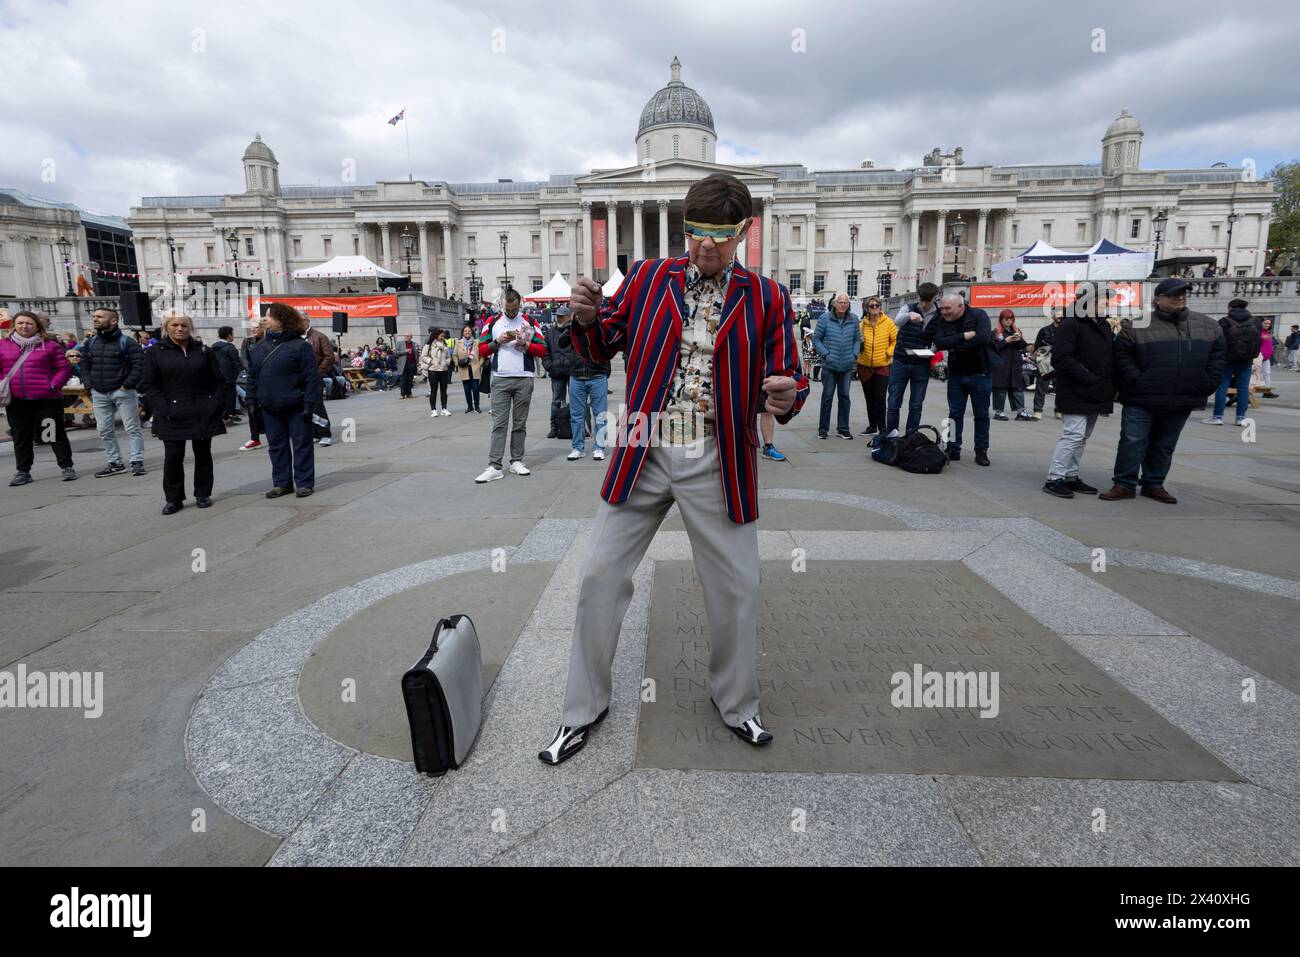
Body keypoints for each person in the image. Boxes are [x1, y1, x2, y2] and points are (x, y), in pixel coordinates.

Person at [539, 173, 809, 765]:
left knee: (739, 585)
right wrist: (584, 320)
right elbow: (602, 343)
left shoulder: (766, 296)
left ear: (742, 232)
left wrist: (788, 392)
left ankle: (737, 703)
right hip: (644, 441)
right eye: (695, 234)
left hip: (718, 452)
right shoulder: (646, 277)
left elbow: (789, 369)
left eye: (719, 236)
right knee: (597, 578)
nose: (705, 248)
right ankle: (582, 709)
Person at [1100, 278, 1225, 504]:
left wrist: (1207, 382)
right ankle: (1124, 483)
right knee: (1132, 441)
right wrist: (1137, 379)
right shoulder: (1137, 325)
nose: (1180, 297)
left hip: (1182, 396)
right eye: (1173, 294)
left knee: (1165, 444)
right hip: (1142, 396)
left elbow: (1218, 358)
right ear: (1158, 299)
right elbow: (1122, 356)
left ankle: (1154, 483)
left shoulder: (1208, 325)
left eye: (1183, 293)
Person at [139, 312, 225, 514]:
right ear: (166, 328)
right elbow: (150, 385)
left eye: (184, 325)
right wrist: (163, 408)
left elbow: (219, 382)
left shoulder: (204, 350)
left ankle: (203, 493)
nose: (180, 329)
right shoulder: (155, 352)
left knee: (203, 454)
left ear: (190, 328)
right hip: (171, 413)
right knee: (173, 456)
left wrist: (214, 405)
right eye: (175, 325)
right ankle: (174, 498)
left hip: (202, 412)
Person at [1043, 291, 1115, 498]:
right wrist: (1088, 377)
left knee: (1082, 437)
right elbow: (1062, 358)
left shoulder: (1103, 325)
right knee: (1072, 435)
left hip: (1097, 390)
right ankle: (1054, 478)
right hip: (1075, 389)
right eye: (1103, 299)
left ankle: (1070, 476)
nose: (1106, 303)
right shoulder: (1071, 323)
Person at [249, 302, 320, 498]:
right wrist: (251, 402)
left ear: (281, 320)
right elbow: (253, 377)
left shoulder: (300, 346)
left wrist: (309, 405)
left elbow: (311, 378)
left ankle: (304, 482)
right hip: (269, 407)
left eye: (270, 316)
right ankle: (282, 483)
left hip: (296, 405)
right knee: (276, 446)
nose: (266, 319)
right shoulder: (258, 348)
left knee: (301, 445)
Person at [474, 289, 546, 483]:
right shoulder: (492, 322)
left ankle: (516, 461)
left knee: (520, 423)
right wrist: (498, 341)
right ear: (502, 304)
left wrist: (526, 344)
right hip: (500, 378)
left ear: (520, 304)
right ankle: (495, 465)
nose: (512, 312)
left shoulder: (530, 322)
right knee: (499, 423)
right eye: (508, 309)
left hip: (524, 377)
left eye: (515, 309)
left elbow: (543, 349)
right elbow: (481, 349)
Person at [1, 311, 77, 485]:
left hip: (46, 399)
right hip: (17, 399)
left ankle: (66, 466)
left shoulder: (50, 345)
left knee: (52, 433)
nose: (24, 326)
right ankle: (23, 471)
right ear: (14, 325)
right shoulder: (2, 345)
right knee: (21, 435)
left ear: (37, 326)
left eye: (28, 323)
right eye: (20, 323)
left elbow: (63, 369)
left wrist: (53, 385)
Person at [79, 307, 147, 477]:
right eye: (94, 316)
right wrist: (89, 385)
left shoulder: (127, 342)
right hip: (99, 392)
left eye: (100, 317)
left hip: (122, 392)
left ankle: (137, 461)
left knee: (132, 428)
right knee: (104, 430)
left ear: (114, 321)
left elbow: (140, 364)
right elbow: (85, 365)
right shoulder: (91, 342)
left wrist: (127, 384)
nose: (95, 319)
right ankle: (115, 463)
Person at [932, 292, 994, 466]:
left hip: (980, 374)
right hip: (956, 375)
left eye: (947, 308)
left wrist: (955, 346)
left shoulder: (979, 315)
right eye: (942, 308)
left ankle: (981, 450)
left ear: (961, 306)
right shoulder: (943, 320)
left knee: (981, 415)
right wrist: (963, 337)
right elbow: (940, 342)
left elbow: (982, 338)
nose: (943, 312)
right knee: (954, 413)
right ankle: (953, 447)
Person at [887, 281, 940, 436]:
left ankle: (911, 436)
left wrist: (932, 350)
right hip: (901, 361)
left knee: (916, 404)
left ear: (934, 299)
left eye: (926, 301)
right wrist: (909, 315)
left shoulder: (938, 314)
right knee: (894, 402)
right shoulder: (908, 308)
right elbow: (897, 321)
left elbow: (939, 336)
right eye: (921, 300)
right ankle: (892, 436)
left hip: (921, 364)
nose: (922, 304)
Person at [1203, 299, 1260, 426]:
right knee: (1243, 389)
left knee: (1222, 387)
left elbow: (1218, 341)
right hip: (1247, 360)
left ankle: (1218, 416)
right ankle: (1240, 418)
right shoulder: (1256, 321)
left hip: (1227, 360)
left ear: (1230, 308)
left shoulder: (1224, 321)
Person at [812, 291, 860, 439]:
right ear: (834, 303)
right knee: (827, 396)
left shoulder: (854, 319)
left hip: (846, 365)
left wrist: (854, 354)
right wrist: (825, 354)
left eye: (845, 302)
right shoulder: (824, 319)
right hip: (829, 365)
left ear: (848, 304)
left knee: (845, 396)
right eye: (840, 302)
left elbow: (857, 340)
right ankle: (823, 429)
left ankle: (843, 429)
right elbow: (816, 339)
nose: (843, 305)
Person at [564, 312, 610, 461]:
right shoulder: (573, 328)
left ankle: (599, 448)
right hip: (577, 376)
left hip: (597, 375)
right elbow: (561, 342)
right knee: (576, 416)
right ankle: (578, 447)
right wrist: (571, 326)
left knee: (600, 415)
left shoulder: (600, 326)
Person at [855, 296, 896, 435]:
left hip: (882, 365)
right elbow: (855, 343)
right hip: (864, 365)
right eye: (871, 306)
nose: (874, 307)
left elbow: (895, 341)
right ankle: (872, 426)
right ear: (866, 308)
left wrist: (888, 353)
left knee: (880, 397)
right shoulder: (861, 325)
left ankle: (882, 427)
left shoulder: (888, 323)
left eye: (876, 305)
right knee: (869, 398)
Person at [991, 309, 1032, 421]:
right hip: (1001, 365)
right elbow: (993, 348)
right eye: (1006, 319)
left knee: (1017, 388)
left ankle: (1021, 412)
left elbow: (1022, 346)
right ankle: (999, 412)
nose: (1008, 321)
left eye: (1011, 319)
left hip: (1015, 365)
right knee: (1000, 389)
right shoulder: (996, 332)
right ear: (1001, 320)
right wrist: (1005, 341)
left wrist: (1018, 339)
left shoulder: (1016, 330)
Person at [302, 318, 335, 446]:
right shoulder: (295, 337)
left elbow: (329, 357)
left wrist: (318, 372)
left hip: (314, 377)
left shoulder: (319, 337)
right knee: (305, 406)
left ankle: (325, 433)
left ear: (307, 321)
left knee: (317, 405)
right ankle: (314, 432)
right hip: (300, 378)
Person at [542, 311, 574, 438]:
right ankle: (554, 427)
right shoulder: (550, 332)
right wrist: (549, 365)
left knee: (576, 401)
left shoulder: (574, 330)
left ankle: (576, 426)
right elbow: (545, 352)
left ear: (568, 317)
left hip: (572, 371)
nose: (559, 319)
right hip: (556, 371)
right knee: (556, 401)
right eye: (558, 316)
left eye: (562, 317)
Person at [239, 317, 268, 450]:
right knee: (251, 407)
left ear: (263, 328)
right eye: (252, 327)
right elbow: (243, 357)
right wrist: (250, 370)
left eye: (256, 327)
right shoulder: (248, 341)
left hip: (266, 378)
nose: (253, 329)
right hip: (252, 378)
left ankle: (271, 433)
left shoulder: (268, 341)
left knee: (267, 407)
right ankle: (254, 438)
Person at [1029, 309, 1063, 419]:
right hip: (1045, 362)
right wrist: (1034, 358)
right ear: (1052, 316)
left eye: (1062, 315)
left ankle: (1059, 410)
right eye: (1057, 314)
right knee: (1041, 386)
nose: (1059, 316)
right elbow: (1037, 345)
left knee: (1061, 387)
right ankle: (1037, 410)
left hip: (1061, 361)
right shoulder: (1044, 330)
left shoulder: (1067, 330)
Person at [212, 325, 244, 425]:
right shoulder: (230, 348)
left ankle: (226, 415)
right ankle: (228, 416)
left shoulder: (213, 347)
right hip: (229, 377)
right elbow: (236, 363)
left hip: (217, 377)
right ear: (228, 335)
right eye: (232, 334)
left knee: (222, 396)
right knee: (231, 396)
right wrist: (240, 373)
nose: (233, 336)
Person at [418, 328, 452, 416]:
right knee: (433, 391)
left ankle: (444, 408)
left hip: (444, 370)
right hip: (433, 370)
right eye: (441, 336)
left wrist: (447, 362)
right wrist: (431, 361)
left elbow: (448, 357)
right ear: (436, 335)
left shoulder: (444, 345)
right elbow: (423, 356)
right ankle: (433, 409)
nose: (442, 337)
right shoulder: (429, 345)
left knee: (444, 391)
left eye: (443, 336)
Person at [454, 323, 483, 412]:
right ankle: (469, 406)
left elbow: (482, 355)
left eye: (469, 331)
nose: (467, 332)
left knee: (475, 388)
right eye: (465, 331)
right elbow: (454, 355)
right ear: (462, 333)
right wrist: (457, 363)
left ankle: (477, 406)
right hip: (464, 368)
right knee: (467, 389)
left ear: (472, 332)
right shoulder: (458, 342)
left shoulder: (476, 342)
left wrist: (479, 364)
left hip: (474, 368)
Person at [1258, 317, 1279, 398]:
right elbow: (1262, 338)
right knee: (1254, 375)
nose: (1267, 325)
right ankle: (1247, 393)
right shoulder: (1258, 332)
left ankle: (1267, 392)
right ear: (1261, 323)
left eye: (1269, 323)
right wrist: (1265, 337)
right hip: (1258, 357)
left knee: (1267, 374)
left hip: (1267, 357)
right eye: (1265, 323)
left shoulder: (1267, 332)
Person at [397, 333, 419, 399]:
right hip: (403, 364)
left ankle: (409, 393)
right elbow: (396, 353)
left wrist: (417, 361)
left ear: (411, 337)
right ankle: (402, 394)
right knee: (403, 379)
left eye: (408, 336)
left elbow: (416, 352)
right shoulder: (399, 343)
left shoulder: (414, 344)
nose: (406, 337)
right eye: (405, 336)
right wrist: (405, 351)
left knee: (410, 379)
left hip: (412, 363)